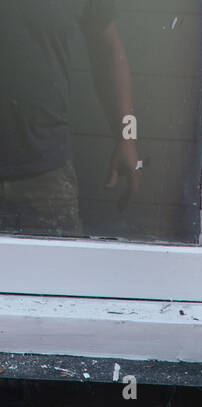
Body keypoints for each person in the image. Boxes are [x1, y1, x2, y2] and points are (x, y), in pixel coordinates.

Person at [0, 0, 141, 237]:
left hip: (46, 175)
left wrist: (128, 137)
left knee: (58, 272)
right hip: (46, 170)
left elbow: (109, 53)